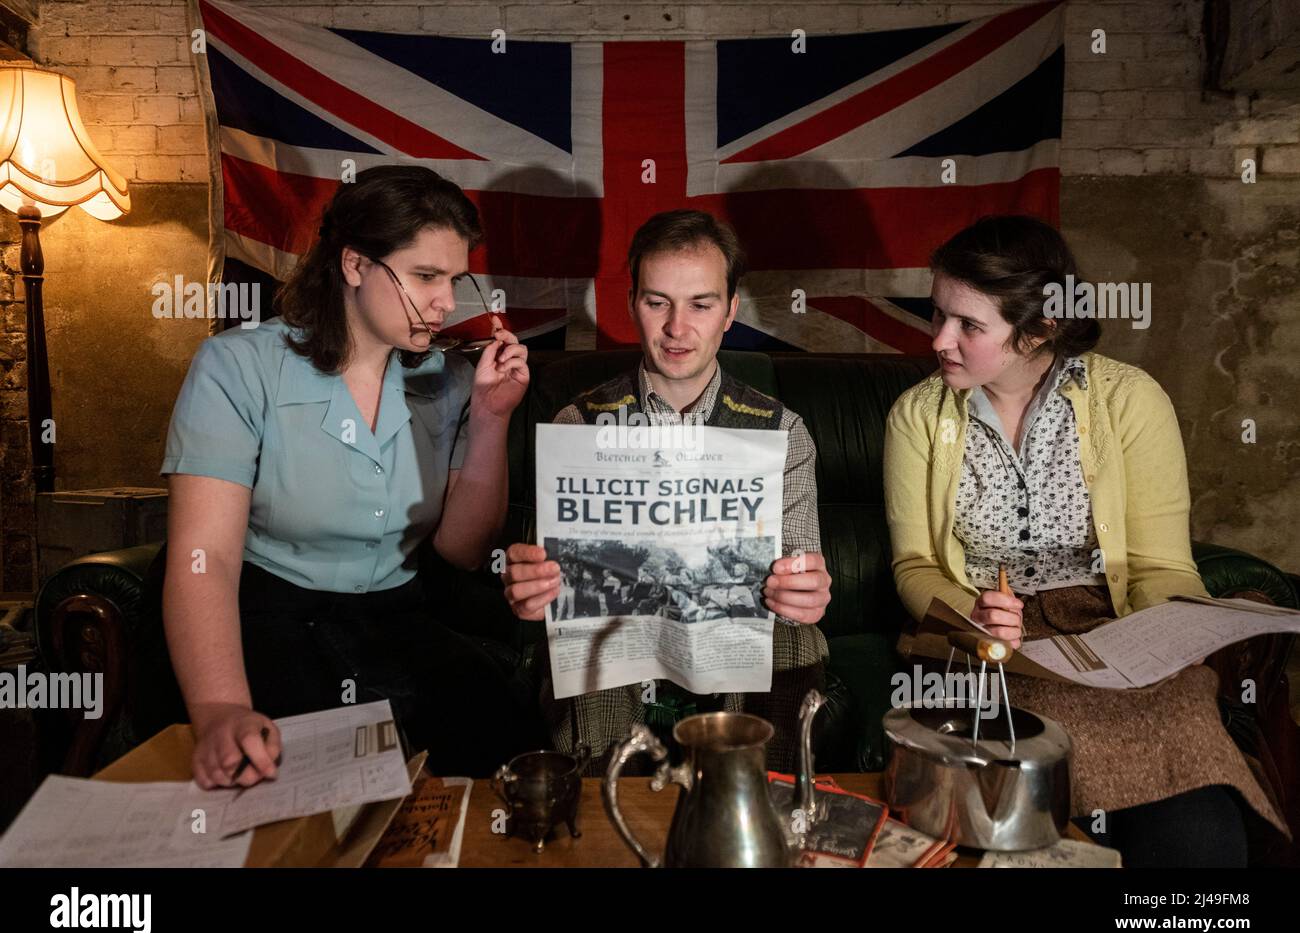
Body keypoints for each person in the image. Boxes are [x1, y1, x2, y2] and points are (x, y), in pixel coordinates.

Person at [883, 215, 1288, 865]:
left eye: (968, 324)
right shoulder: (918, 415)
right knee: (1049, 729)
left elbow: (1160, 565)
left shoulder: (1131, 401)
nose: (939, 340)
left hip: (1108, 626)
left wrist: (1168, 633)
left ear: (1039, 328)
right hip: (990, 640)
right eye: (938, 315)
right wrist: (972, 615)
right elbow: (915, 562)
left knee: (1194, 791)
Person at [158, 165, 533, 788]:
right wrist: (220, 706)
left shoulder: (453, 382)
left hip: (396, 620)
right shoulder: (236, 367)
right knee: (307, 790)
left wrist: (493, 419)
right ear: (355, 265)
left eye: (454, 279)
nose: (447, 302)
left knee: (508, 754)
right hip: (269, 619)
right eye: (425, 276)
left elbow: (463, 551)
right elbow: (207, 560)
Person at [500, 209, 833, 772]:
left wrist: (806, 596)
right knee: (589, 638)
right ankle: (603, 819)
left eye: (700, 305)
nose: (678, 329)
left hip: (732, 646)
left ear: (730, 311)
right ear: (633, 303)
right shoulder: (578, 424)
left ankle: (763, 810)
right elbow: (549, 590)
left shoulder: (781, 431)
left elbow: (802, 587)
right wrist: (531, 590)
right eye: (658, 303)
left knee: (793, 643)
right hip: (623, 648)